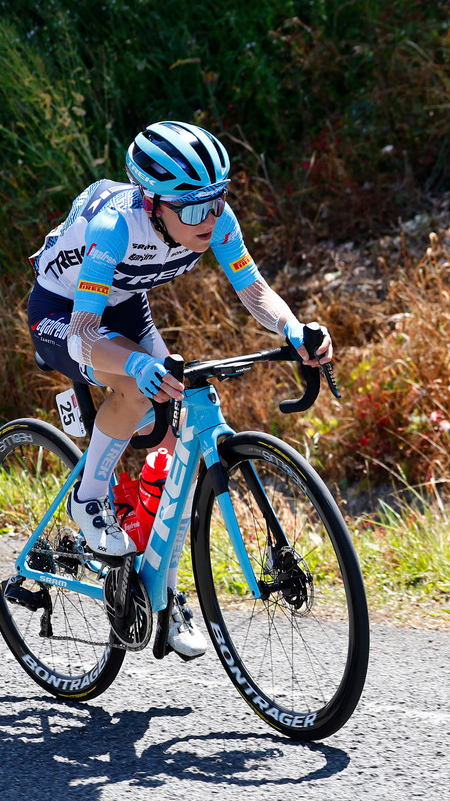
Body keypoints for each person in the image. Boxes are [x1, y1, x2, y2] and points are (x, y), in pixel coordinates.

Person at [27, 120, 333, 660]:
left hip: (125, 306)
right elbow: (84, 333)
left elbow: (252, 289)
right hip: (65, 314)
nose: (209, 219)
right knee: (139, 387)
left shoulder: (214, 217)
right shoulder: (115, 227)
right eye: (193, 211)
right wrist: (136, 365)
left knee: (176, 453)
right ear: (153, 204)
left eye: (217, 202)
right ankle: (88, 497)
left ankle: (163, 598)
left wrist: (293, 330)